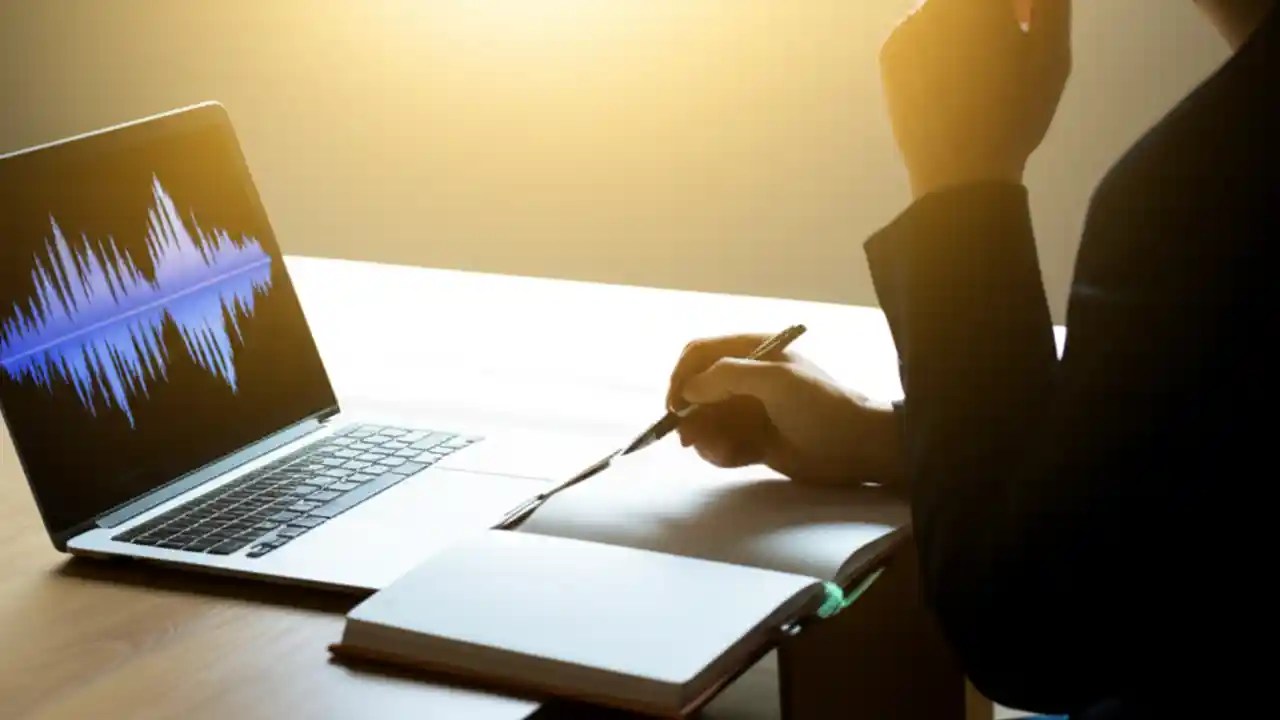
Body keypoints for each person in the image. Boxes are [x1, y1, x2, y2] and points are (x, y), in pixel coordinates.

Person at [664, 1, 1276, 717]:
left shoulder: (1218, 180)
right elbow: (1205, 487)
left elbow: (1036, 630)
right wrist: (890, 440)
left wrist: (960, 179)